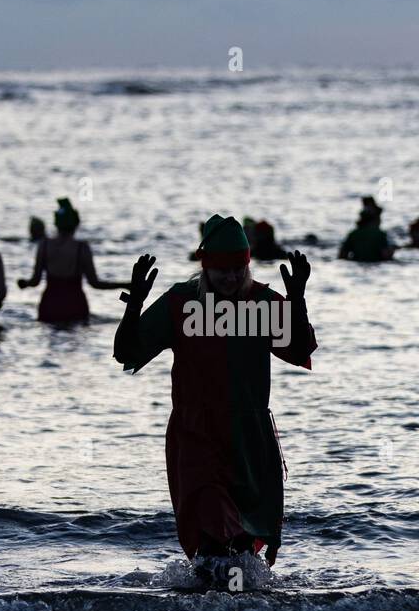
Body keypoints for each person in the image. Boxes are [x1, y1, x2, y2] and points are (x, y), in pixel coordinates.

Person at [113, 215, 317, 565]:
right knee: (211, 533)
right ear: (205, 267)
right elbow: (127, 352)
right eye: (222, 269)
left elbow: (301, 349)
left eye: (238, 268)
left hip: (249, 439)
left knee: (241, 542)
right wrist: (135, 305)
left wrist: (296, 300)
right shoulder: (181, 303)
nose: (231, 277)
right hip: (197, 437)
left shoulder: (263, 303)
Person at [16, 198, 128, 323]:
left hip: (50, 305)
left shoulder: (44, 245)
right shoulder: (82, 248)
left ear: (56, 224)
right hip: (75, 305)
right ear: (76, 224)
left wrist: (25, 283)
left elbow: (35, 281)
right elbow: (95, 283)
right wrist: (124, 285)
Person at [339, 197, 394, 261]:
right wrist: (391, 251)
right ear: (376, 219)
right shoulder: (380, 234)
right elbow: (386, 256)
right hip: (375, 265)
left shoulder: (353, 234)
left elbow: (342, 256)